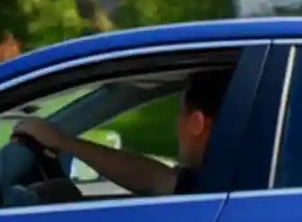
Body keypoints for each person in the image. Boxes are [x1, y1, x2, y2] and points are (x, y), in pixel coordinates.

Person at [12, 67, 233, 198]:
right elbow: (154, 178)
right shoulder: (239, 176)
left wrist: (61, 141)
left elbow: (151, 177)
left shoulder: (221, 184)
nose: (177, 125)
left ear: (197, 122)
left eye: (181, 113)